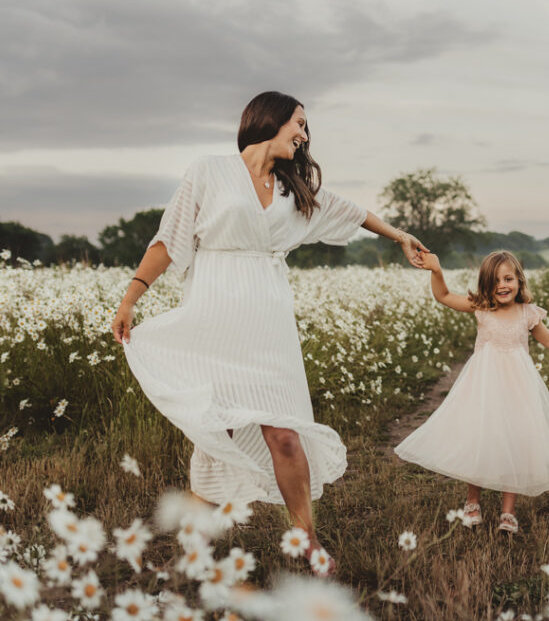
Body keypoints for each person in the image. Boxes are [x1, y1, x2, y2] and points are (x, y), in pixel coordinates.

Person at [111, 91, 426, 574]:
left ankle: (307, 539)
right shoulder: (208, 172)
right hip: (214, 314)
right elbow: (169, 241)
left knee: (284, 434)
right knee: (221, 428)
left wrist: (400, 236)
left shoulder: (292, 190)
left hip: (268, 320)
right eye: (299, 123)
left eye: (306, 128)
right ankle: (199, 536)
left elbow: (351, 212)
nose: (304, 135)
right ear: (271, 119)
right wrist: (132, 296)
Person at [394, 251, 549, 533]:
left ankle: (508, 512)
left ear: (519, 281)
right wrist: (436, 271)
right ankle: (472, 502)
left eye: (508, 279)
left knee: (514, 441)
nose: (502, 285)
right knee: (482, 438)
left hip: (518, 388)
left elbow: (548, 339)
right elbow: (444, 296)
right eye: (495, 280)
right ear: (485, 285)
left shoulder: (528, 313)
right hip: (483, 386)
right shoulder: (481, 308)